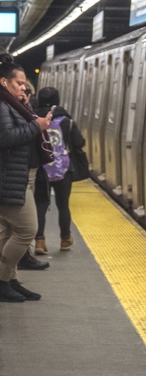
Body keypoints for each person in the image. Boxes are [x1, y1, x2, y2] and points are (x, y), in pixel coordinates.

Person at [0, 56, 51, 301]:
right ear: (4, 81)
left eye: (24, 83)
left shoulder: (13, 104)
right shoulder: (2, 105)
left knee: (8, 232)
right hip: (7, 178)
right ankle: (2, 280)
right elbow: (5, 137)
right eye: (18, 83)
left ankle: (10, 281)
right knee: (27, 229)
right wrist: (36, 126)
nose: (24, 87)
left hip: (13, 177)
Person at [33, 87, 83, 255]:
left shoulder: (33, 118)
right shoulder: (66, 120)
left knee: (40, 204)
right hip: (63, 168)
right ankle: (65, 239)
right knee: (63, 205)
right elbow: (79, 142)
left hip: (41, 169)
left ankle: (39, 241)